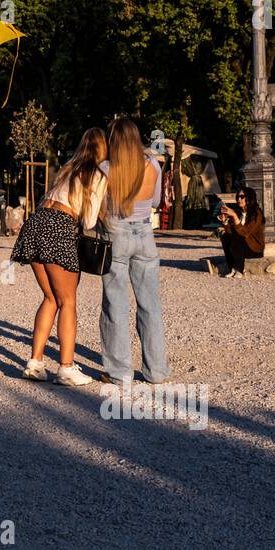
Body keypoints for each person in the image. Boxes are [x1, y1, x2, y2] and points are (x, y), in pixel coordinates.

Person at [10, 127, 107, 386]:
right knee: (68, 302)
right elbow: (88, 219)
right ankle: (66, 367)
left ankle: (35, 362)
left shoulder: (67, 168)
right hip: (60, 226)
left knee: (50, 297)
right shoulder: (97, 174)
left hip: (37, 221)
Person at [98, 118, 170, 386]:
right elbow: (155, 201)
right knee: (150, 304)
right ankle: (157, 371)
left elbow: (99, 206)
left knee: (115, 303)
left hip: (116, 233)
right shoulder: (153, 165)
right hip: (145, 233)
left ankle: (120, 372)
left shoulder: (105, 168)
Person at [214, 187, 265, 278]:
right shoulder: (238, 212)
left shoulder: (256, 214)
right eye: (238, 197)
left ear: (249, 198)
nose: (239, 199)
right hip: (240, 247)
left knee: (238, 238)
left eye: (242, 197)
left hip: (254, 248)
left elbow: (245, 233)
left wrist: (234, 216)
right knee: (225, 237)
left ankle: (239, 270)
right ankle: (232, 268)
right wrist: (225, 221)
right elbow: (229, 232)